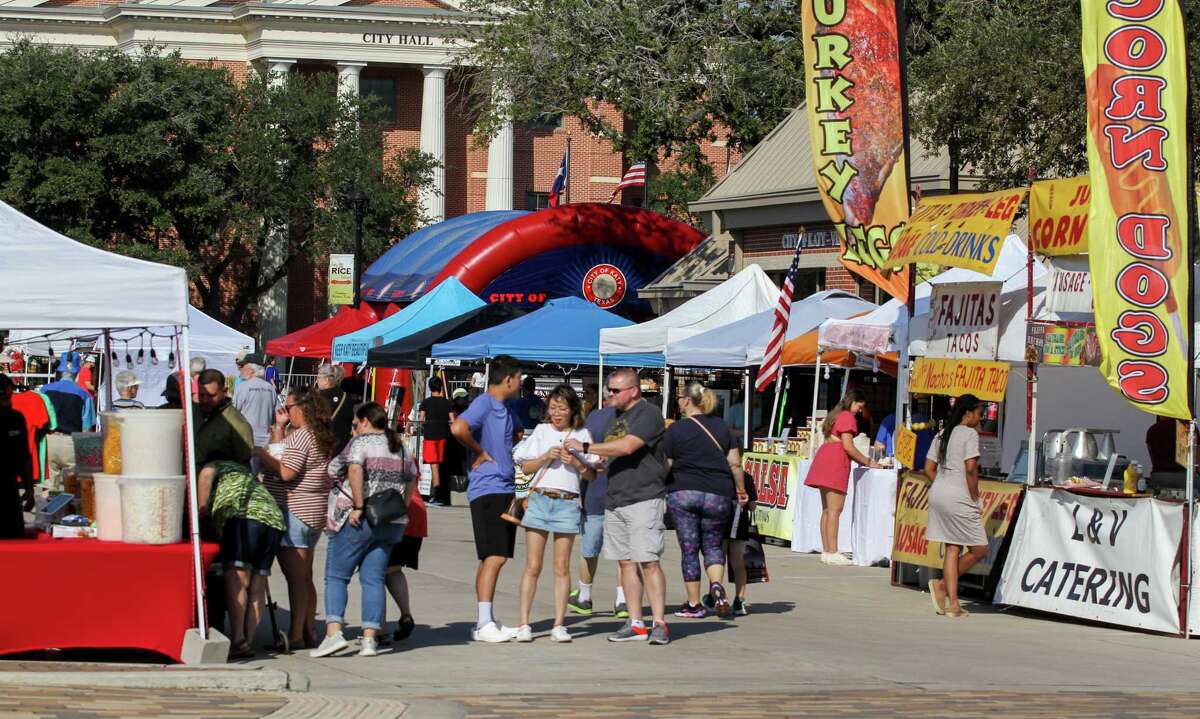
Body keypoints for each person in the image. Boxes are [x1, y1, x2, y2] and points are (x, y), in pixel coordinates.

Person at [566, 368, 670, 645]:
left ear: (633, 390)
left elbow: (627, 447)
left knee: (648, 561)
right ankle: (635, 623)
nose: (609, 395)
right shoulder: (615, 418)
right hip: (615, 497)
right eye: (608, 390)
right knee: (625, 562)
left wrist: (586, 447)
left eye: (615, 390)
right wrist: (599, 463)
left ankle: (659, 622)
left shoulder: (648, 414)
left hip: (644, 497)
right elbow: (613, 452)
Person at [312, 402, 416, 658]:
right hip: (390, 521)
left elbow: (341, 469)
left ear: (366, 421)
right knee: (374, 578)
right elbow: (412, 477)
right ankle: (370, 638)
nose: (354, 428)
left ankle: (333, 633)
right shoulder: (401, 446)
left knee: (337, 576)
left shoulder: (359, 443)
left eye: (356, 424)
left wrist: (358, 505)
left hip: (359, 517)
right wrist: (402, 506)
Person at [512, 385, 596, 643]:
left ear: (573, 410)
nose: (557, 413)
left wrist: (577, 462)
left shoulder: (582, 434)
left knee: (561, 566)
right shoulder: (541, 431)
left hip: (567, 502)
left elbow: (592, 474)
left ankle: (559, 624)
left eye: (562, 408)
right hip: (540, 498)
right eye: (553, 408)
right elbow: (524, 466)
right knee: (532, 566)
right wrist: (546, 456)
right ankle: (524, 623)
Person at [254, 388, 335, 649]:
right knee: (304, 575)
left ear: (302, 407)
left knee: (296, 577)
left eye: (288, 408)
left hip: (295, 509)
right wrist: (279, 429)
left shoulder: (302, 436)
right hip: (312, 510)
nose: (286, 413)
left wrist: (260, 453)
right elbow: (285, 456)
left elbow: (287, 472)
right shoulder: (317, 434)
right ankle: (308, 629)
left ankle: (297, 633)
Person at [450, 354, 523, 643]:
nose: (520, 384)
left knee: (499, 555)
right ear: (508, 379)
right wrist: (479, 451)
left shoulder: (505, 408)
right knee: (493, 556)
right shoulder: (484, 403)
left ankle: (488, 619)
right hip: (488, 488)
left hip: (504, 487)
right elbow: (458, 427)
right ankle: (483, 623)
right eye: (518, 379)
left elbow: (517, 433)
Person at [662, 381, 747, 619]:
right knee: (712, 545)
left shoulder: (676, 430)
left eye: (680, 397)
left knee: (689, 549)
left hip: (684, 493)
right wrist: (741, 490)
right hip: (718, 494)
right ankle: (717, 586)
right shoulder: (722, 427)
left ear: (687, 401)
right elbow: (735, 464)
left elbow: (666, 465)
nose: (679, 401)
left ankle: (694, 604)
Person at [196, 461, 285, 659]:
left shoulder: (213, 466)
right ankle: (247, 641)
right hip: (273, 519)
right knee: (257, 584)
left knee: (238, 579)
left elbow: (205, 477)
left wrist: (202, 511)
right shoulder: (245, 472)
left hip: (244, 518)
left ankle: (237, 638)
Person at [925, 394, 988, 618]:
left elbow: (928, 468)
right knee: (979, 549)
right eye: (980, 414)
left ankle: (952, 602)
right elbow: (971, 468)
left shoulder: (943, 433)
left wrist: (943, 484)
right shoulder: (969, 434)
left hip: (939, 491)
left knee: (953, 548)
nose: (981, 419)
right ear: (968, 413)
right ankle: (944, 590)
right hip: (959, 494)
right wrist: (974, 496)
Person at [568, 385, 627, 618]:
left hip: (596, 490)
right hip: (624, 492)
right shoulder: (633, 418)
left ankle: (584, 596)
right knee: (624, 551)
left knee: (590, 546)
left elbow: (583, 454)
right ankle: (622, 600)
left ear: (603, 398)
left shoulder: (595, 417)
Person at [804, 388, 878, 566]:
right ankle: (832, 550)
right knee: (835, 510)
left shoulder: (835, 414)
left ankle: (827, 550)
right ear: (853, 401)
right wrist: (868, 462)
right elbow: (848, 446)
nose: (860, 410)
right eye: (860, 406)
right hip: (835, 462)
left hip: (824, 458)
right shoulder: (847, 417)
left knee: (827, 510)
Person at [384, 486, 426, 644]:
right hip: (415, 515)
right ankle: (406, 615)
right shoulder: (409, 460)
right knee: (394, 570)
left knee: (375, 575)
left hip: (389, 514)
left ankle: (377, 629)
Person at [41, 370, 95, 492]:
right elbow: (87, 428)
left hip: (49, 440)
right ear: (76, 375)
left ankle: (50, 506)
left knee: (49, 488)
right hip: (71, 443)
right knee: (72, 489)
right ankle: (68, 509)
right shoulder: (83, 394)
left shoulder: (44, 390)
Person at [194, 369, 253, 468]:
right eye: (201, 395)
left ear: (224, 391)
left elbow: (244, 463)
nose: (205, 400)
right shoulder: (193, 412)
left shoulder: (237, 423)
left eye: (211, 395)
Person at [0, 375, 34, 539]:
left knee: (14, 537)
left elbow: (24, 455)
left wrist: (29, 488)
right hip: (9, 486)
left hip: (10, 487)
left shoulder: (16, 418)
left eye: (7, 393)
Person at [419, 376, 454, 506]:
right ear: (440, 388)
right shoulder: (447, 402)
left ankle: (436, 494)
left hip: (430, 436)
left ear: (430, 387)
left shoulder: (426, 402)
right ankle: (442, 495)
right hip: (444, 436)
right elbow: (452, 420)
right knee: (442, 466)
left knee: (434, 465)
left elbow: (421, 420)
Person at [233, 357, 278, 448]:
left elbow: (233, 413)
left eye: (243, 367)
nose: (240, 370)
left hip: (246, 441)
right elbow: (275, 417)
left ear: (252, 370)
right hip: (266, 442)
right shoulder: (270, 388)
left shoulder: (242, 387)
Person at [315, 364, 354, 456]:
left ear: (327, 380)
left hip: (323, 447)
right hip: (343, 447)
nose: (317, 381)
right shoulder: (346, 396)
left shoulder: (317, 398)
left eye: (318, 377)